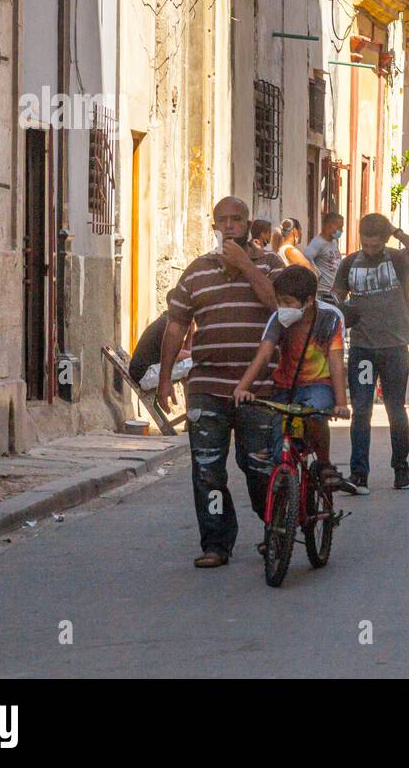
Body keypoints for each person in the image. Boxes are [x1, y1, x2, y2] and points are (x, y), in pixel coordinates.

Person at [157, 196, 284, 569]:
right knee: (207, 469)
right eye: (222, 220)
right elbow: (177, 323)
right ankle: (216, 543)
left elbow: (278, 304)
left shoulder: (271, 265)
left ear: (248, 224)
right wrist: (165, 378)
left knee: (258, 466)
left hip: (259, 388)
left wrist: (246, 265)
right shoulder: (197, 271)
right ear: (214, 225)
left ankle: (273, 528)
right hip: (207, 386)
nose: (229, 226)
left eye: (236, 219)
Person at [233, 266, 352, 497]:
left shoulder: (330, 318)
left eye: (288, 301)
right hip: (285, 388)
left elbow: (336, 362)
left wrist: (341, 403)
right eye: (279, 301)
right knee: (280, 452)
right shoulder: (277, 319)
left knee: (317, 414)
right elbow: (264, 354)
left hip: (319, 385)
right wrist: (242, 388)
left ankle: (324, 464)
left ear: (308, 300)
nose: (282, 307)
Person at [333, 213, 409, 492]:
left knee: (395, 408)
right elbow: (337, 293)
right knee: (361, 410)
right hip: (363, 348)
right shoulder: (350, 263)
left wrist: (397, 232)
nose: (370, 250)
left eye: (375, 246)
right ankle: (359, 474)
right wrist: (344, 308)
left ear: (385, 241)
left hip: (394, 347)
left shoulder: (398, 259)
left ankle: (401, 469)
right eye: (366, 245)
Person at [128, 310, 193, 390]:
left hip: (144, 372)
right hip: (144, 376)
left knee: (191, 362)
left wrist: (191, 329)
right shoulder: (168, 326)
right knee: (196, 361)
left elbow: (186, 350)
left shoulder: (169, 320)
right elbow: (174, 356)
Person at [304, 212, 346, 301]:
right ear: (329, 226)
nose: (341, 230)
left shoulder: (333, 242)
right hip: (323, 293)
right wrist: (316, 273)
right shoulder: (317, 243)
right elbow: (306, 257)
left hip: (334, 291)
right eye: (339, 227)